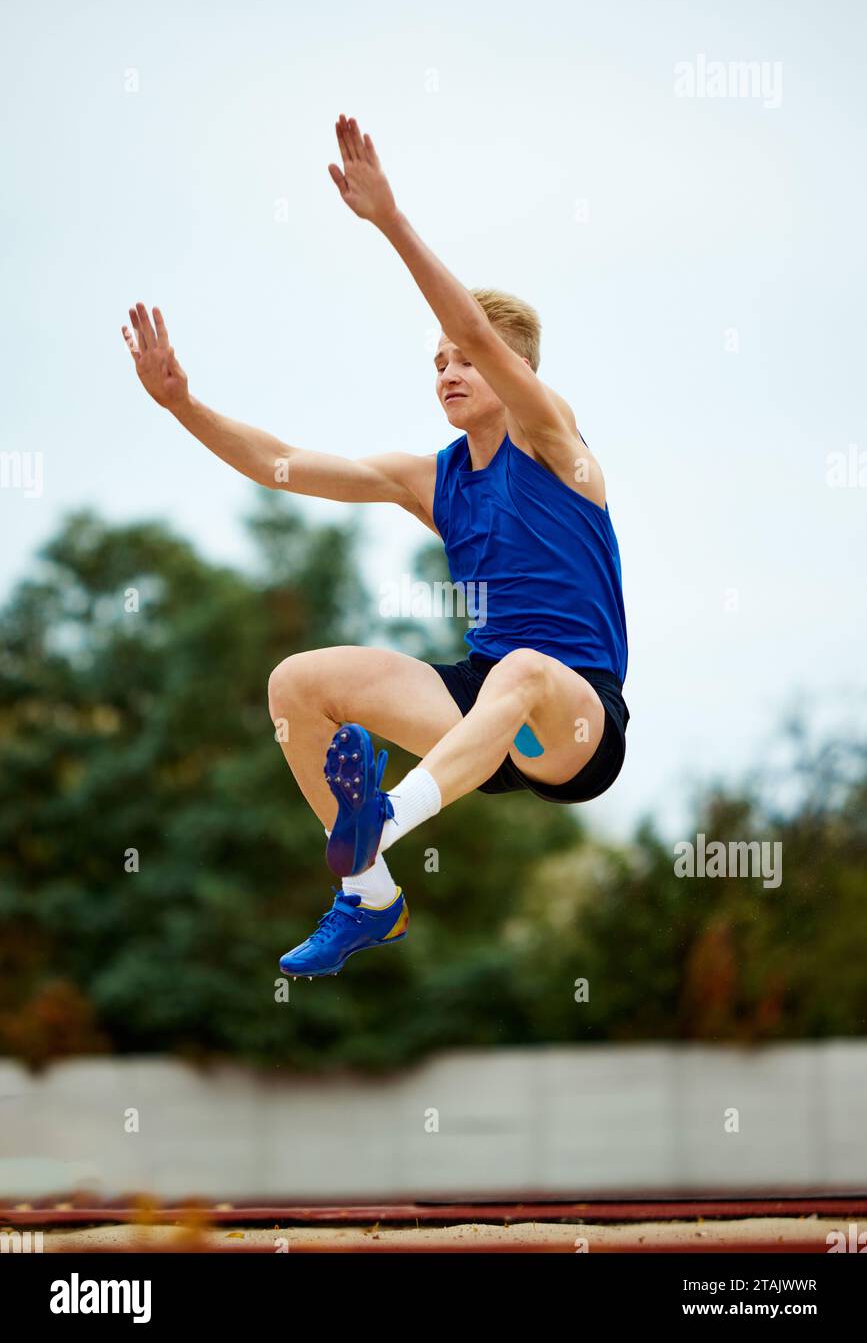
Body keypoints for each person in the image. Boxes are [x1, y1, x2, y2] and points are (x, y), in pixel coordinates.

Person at [121, 113, 629, 980]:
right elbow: (280, 467)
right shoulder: (431, 479)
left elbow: (475, 331)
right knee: (298, 684)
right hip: (481, 715)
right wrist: (182, 405)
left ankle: (381, 818)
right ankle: (369, 895)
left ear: (520, 375)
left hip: (575, 719)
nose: (449, 372)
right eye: (436, 364)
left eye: (466, 360)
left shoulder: (556, 443)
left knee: (524, 669)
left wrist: (388, 220)